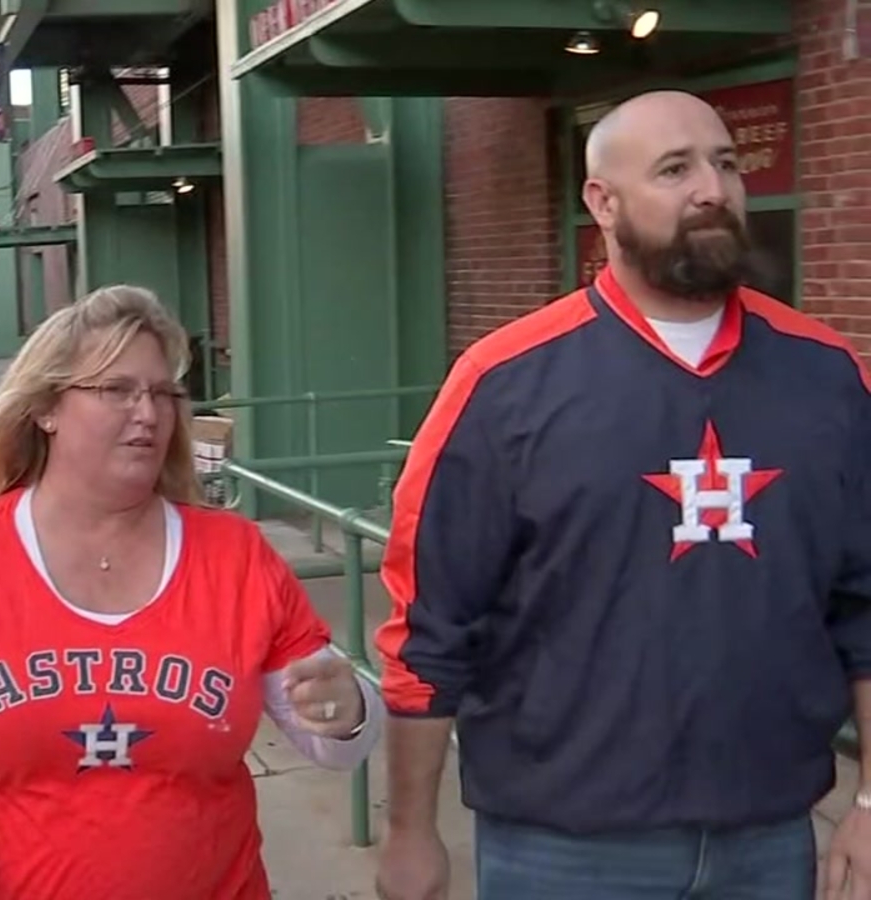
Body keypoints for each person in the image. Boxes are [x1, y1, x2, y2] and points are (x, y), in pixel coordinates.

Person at [373, 89, 871, 900]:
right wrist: (409, 830)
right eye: (674, 168)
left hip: (772, 836)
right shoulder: (501, 385)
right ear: (601, 202)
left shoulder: (829, 375)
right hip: (561, 849)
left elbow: (865, 604)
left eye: (726, 162)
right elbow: (428, 629)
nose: (711, 187)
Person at [0, 284, 382, 899]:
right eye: (116, 390)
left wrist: (347, 708)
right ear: (47, 409)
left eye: (162, 393)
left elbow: (331, 740)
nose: (147, 413)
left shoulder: (235, 555)